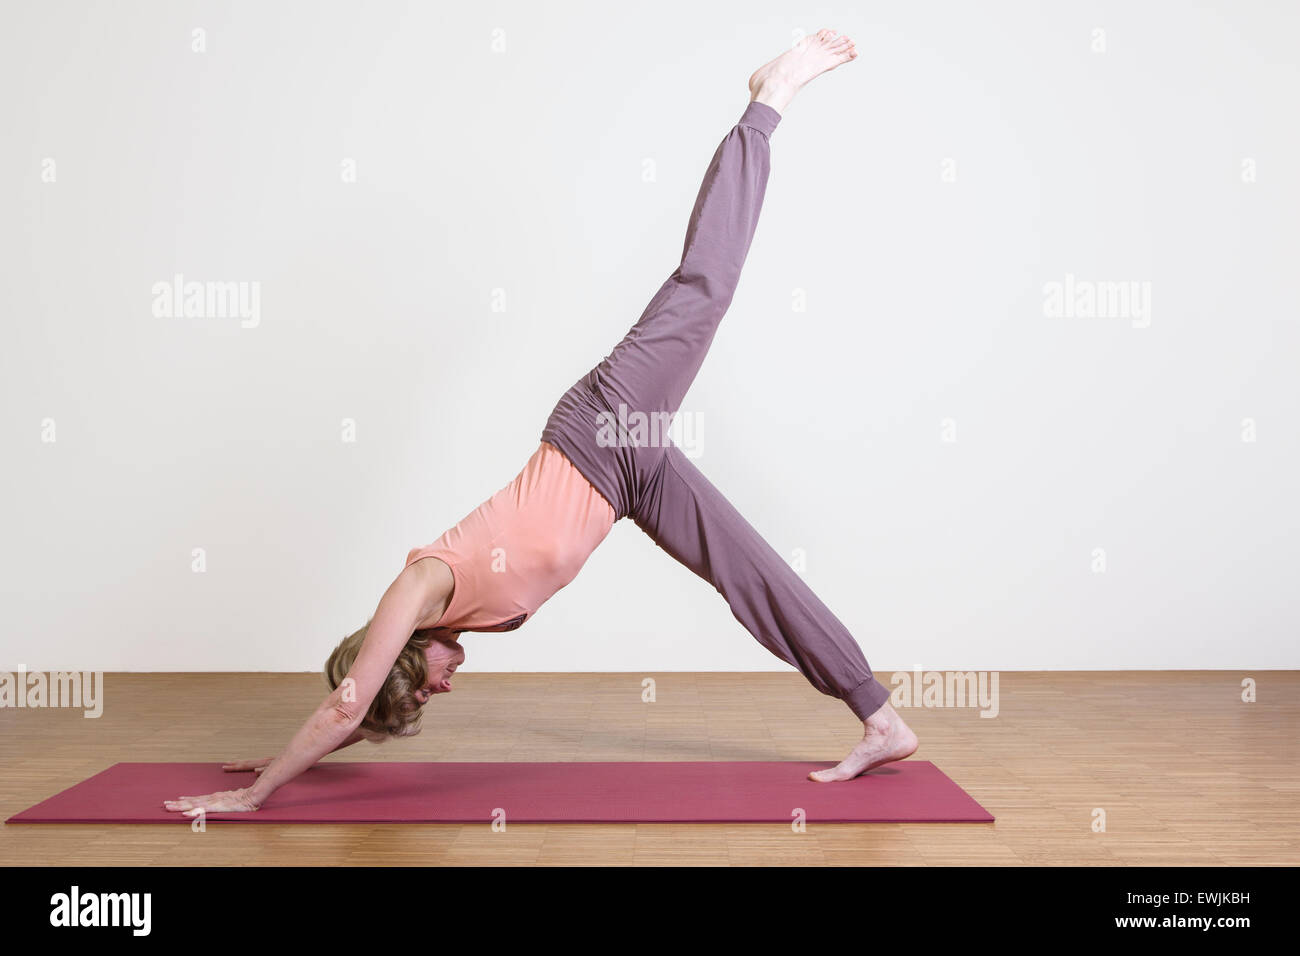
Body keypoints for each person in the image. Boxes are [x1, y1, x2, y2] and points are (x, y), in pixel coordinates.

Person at [165, 28, 917, 818]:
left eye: (428, 687)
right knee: (749, 570)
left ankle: (769, 99)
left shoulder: (420, 587)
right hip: (629, 480)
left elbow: (348, 702)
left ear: (404, 656)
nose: (447, 688)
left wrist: (259, 792)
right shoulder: (447, 622)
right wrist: (293, 760)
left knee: (704, 287)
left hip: (600, 427)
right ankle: (880, 717)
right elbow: (360, 712)